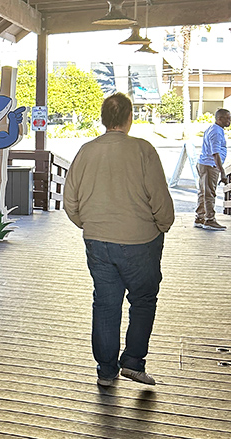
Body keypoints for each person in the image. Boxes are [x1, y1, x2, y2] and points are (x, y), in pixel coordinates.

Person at [63, 92, 174, 387]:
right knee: (143, 300)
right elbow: (160, 198)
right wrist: (162, 225)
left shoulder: (86, 150)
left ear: (103, 118)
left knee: (105, 304)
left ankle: (106, 371)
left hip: (97, 241)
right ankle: (133, 362)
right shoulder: (143, 150)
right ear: (129, 117)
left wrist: (89, 225)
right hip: (141, 241)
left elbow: (70, 201)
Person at [195, 108, 230, 230]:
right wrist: (223, 173)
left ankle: (200, 217)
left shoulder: (213, 129)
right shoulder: (216, 132)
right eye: (227, 118)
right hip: (210, 166)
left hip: (204, 164)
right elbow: (216, 154)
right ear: (219, 119)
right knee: (209, 193)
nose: (229, 121)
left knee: (203, 192)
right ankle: (209, 219)